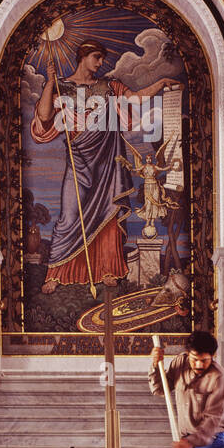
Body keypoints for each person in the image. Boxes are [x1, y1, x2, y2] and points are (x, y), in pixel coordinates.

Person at [31, 38, 181, 294]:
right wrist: (49, 82)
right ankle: (57, 271)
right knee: (69, 216)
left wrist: (159, 83)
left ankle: (108, 269)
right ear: (84, 56)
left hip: (106, 165)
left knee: (109, 217)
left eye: (102, 58)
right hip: (78, 162)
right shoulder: (63, 87)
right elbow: (45, 117)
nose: (101, 63)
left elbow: (135, 99)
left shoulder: (109, 87)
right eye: (97, 57)